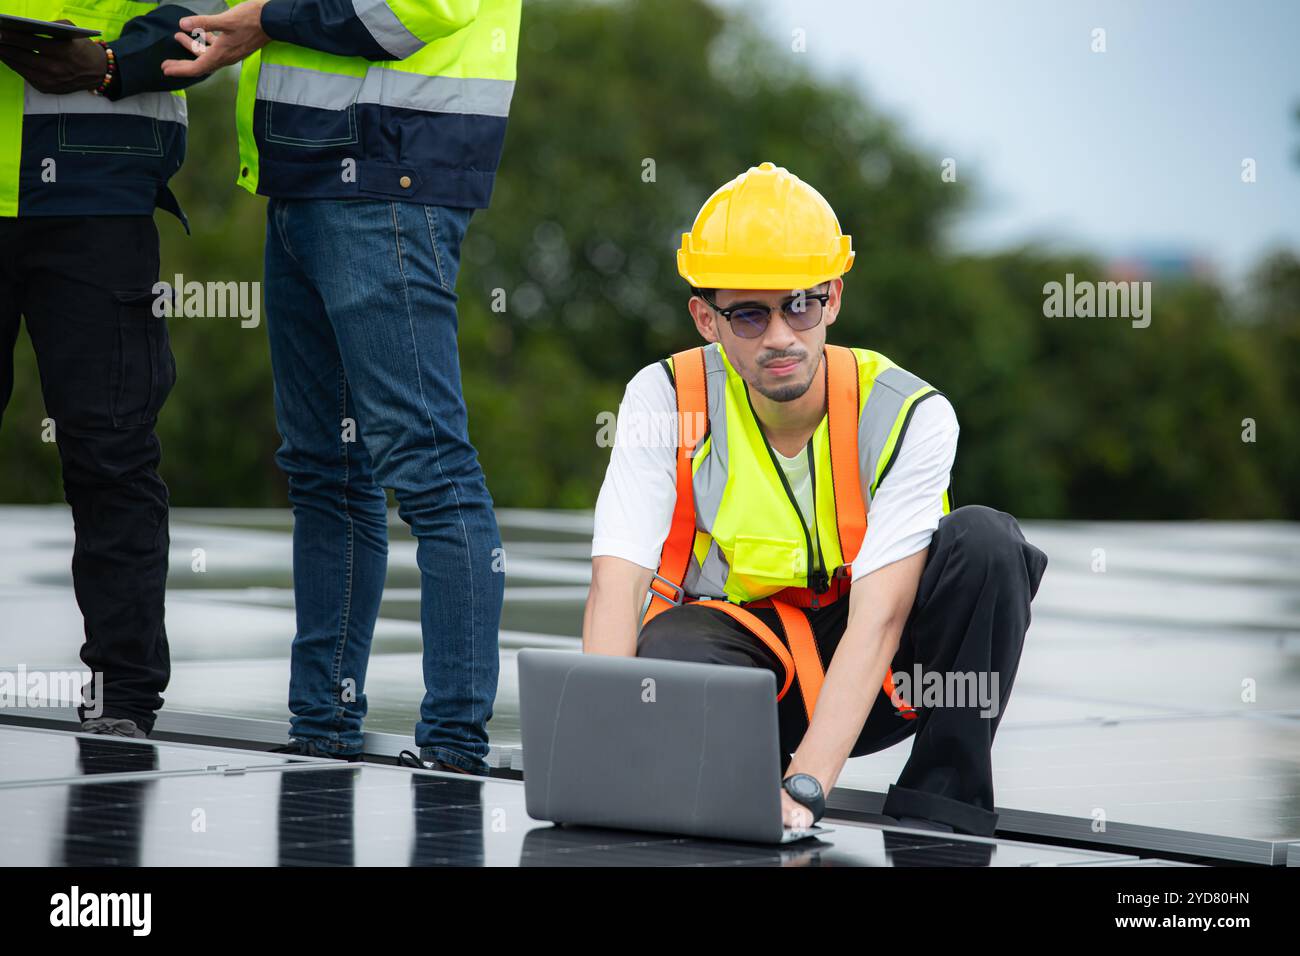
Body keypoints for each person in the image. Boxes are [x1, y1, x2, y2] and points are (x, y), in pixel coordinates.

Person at [583, 162, 1048, 835]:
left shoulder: (910, 413)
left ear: (832, 299)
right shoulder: (665, 397)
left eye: (800, 304)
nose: (780, 336)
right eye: (748, 313)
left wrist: (806, 786)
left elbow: (882, 620)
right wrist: (602, 760)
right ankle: (733, 774)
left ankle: (943, 806)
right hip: (749, 678)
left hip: (885, 681)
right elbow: (616, 584)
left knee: (988, 544)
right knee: (670, 646)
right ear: (706, 318)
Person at [160, 0, 522, 773]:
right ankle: (322, 724)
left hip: (390, 172)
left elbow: (410, 10)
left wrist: (265, 18)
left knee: (428, 468)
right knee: (327, 468)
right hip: (309, 174)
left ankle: (455, 748)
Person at [0, 2, 220, 738]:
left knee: (111, 450)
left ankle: (121, 699)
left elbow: (214, 18)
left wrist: (111, 64)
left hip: (97, 193)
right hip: (89, 189)